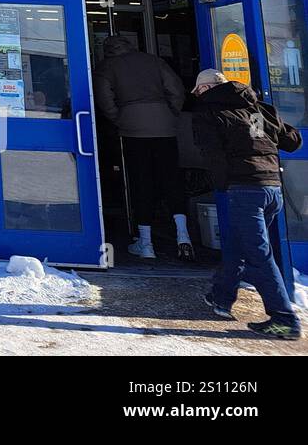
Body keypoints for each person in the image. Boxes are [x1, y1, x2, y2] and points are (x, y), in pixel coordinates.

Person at [191, 68, 302, 340]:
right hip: (272, 187)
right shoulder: (257, 110)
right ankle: (221, 296)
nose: (198, 96)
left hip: (245, 190)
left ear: (205, 89)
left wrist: (222, 184)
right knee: (241, 245)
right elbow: (292, 142)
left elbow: (212, 154)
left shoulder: (209, 113)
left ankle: (284, 318)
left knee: (258, 255)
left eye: (198, 91)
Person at [92, 34, 191, 259]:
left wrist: (120, 118)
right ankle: (184, 236)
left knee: (140, 181)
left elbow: (104, 98)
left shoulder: (107, 67)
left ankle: (145, 242)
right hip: (164, 126)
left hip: (132, 129)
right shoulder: (154, 61)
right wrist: (169, 113)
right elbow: (175, 89)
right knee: (172, 180)